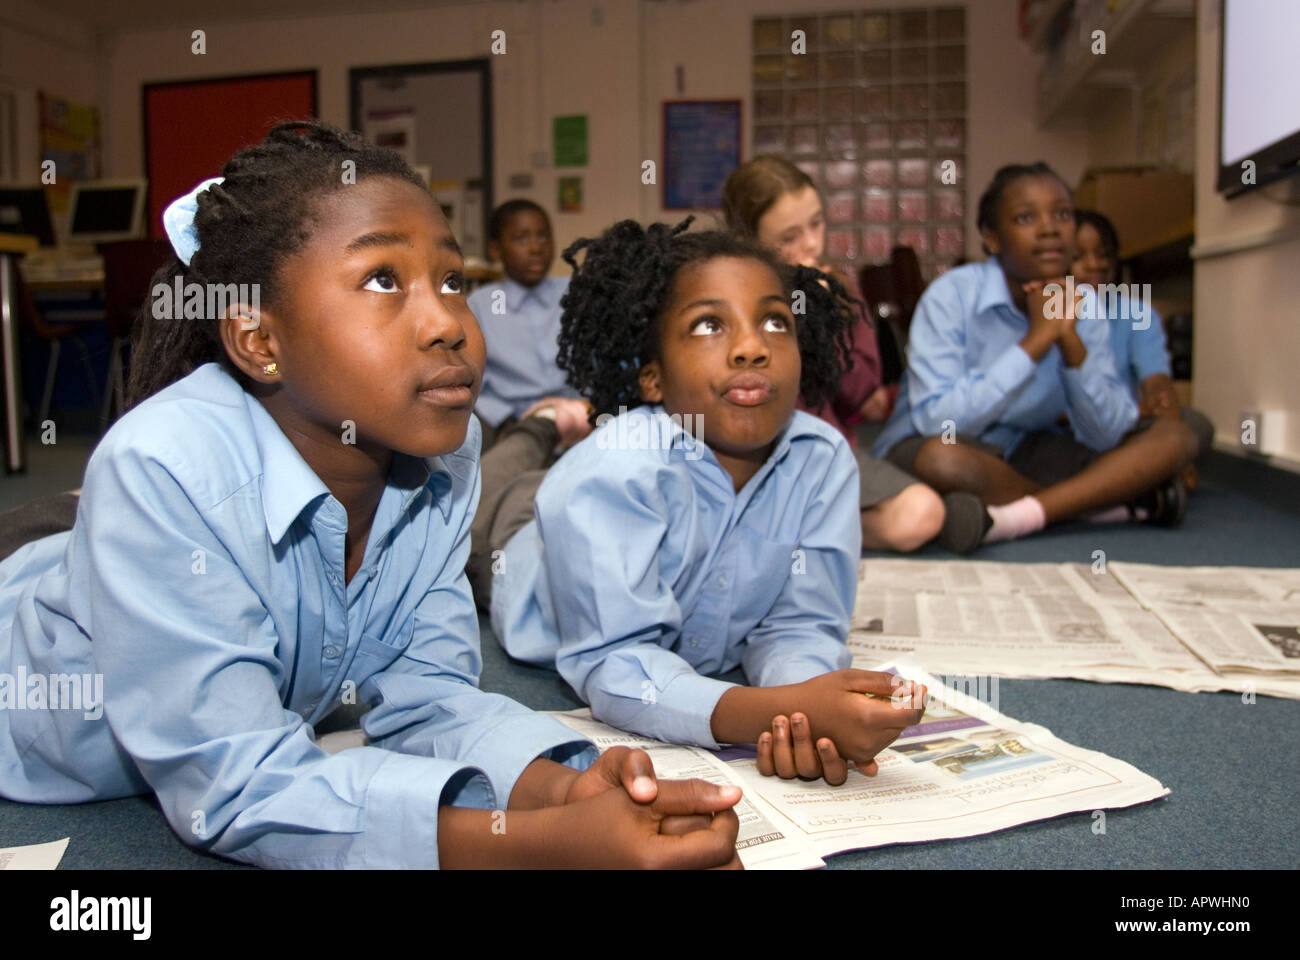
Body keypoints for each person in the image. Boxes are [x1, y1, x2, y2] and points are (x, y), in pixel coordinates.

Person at [0, 122, 741, 870]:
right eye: (383, 280)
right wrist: (540, 846)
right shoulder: (161, 464)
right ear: (259, 340)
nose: (448, 323)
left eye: (452, 280)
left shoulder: (445, 456)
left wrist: (563, 790)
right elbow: (233, 787)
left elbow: (429, 692)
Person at [485, 218, 928, 787]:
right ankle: (541, 427)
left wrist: (803, 709)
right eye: (708, 325)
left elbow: (801, 625)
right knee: (493, 486)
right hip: (512, 545)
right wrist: (760, 711)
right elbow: (620, 665)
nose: (751, 347)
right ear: (652, 378)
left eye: (775, 321)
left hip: (590, 487)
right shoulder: (607, 477)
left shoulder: (821, 461)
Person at [871, 162, 1199, 544]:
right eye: (1026, 217)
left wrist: (1071, 345)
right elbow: (937, 419)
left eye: (1063, 214)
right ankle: (1106, 504)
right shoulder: (950, 295)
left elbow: (1108, 435)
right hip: (939, 443)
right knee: (942, 460)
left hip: (1027, 447)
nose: (1050, 229)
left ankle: (1014, 517)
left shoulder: (1084, 304)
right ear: (992, 238)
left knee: (1175, 437)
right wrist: (1036, 342)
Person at [722, 155, 985, 554]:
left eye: (816, 223)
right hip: (748, 457)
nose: (811, 243)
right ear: (749, 242)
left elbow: (858, 393)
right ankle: (794, 527)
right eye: (788, 237)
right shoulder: (727, 298)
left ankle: (784, 530)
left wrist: (825, 326)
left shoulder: (841, 295)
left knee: (921, 514)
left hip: (825, 452)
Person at [1072, 208, 1214, 481]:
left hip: (1129, 430)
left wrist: (1175, 449)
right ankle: (1137, 478)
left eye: (1103, 254)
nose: (1094, 265)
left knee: (1196, 425)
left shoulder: (1136, 313)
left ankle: (1136, 472)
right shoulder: (1046, 312)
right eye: (1078, 257)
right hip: (1071, 432)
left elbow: (1157, 384)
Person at [466, 199, 590, 449]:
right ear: (495, 250)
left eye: (543, 237)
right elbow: (474, 379)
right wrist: (504, 420)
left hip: (582, 416)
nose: (535, 248)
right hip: (514, 423)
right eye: (521, 239)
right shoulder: (481, 305)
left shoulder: (575, 292)